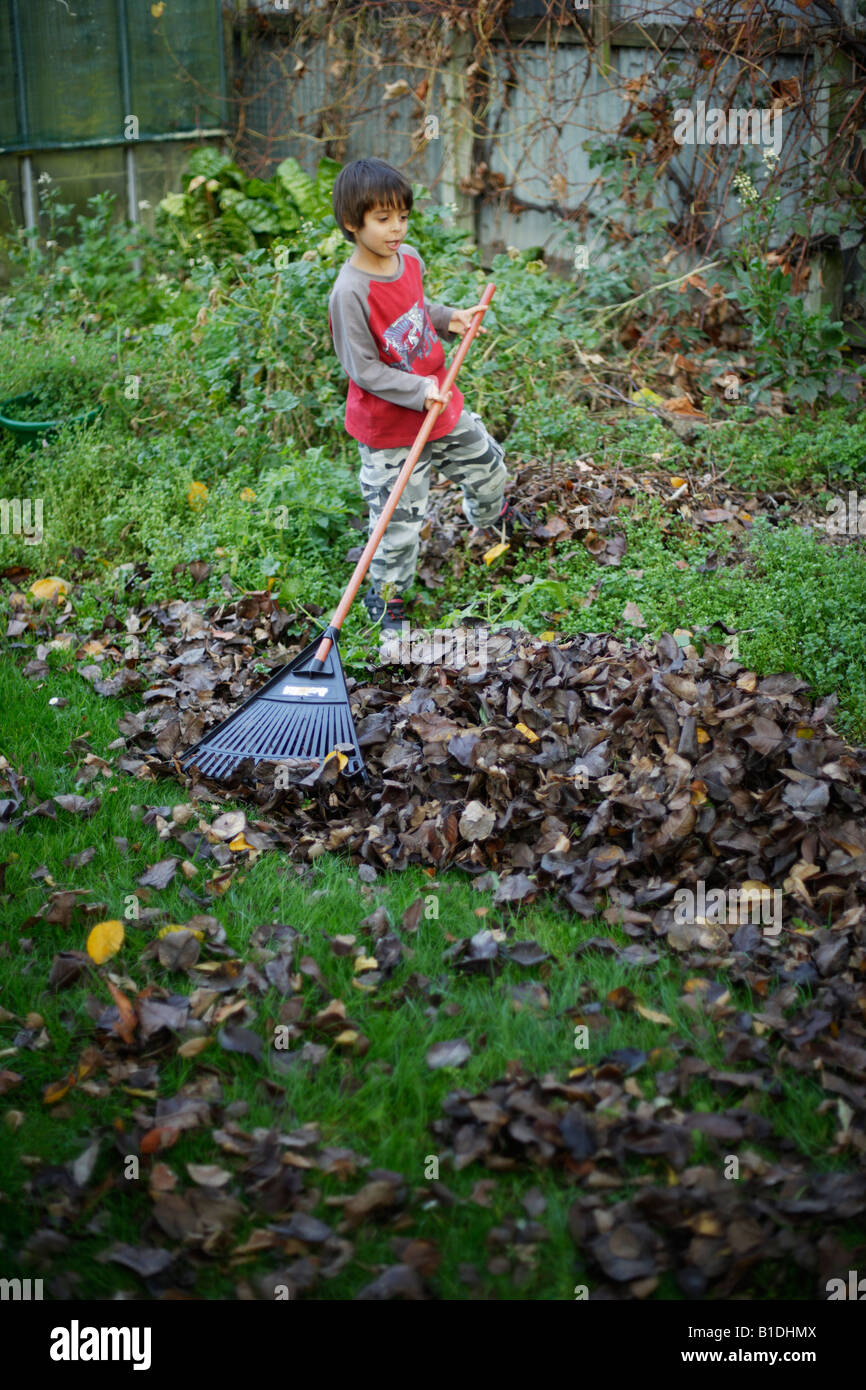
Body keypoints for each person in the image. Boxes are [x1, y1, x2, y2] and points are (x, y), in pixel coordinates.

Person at [328, 156, 520, 631]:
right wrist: (418, 388)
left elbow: (415, 310)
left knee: (490, 469)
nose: (396, 229)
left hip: (441, 407)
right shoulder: (349, 292)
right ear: (353, 222)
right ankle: (385, 597)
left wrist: (446, 317)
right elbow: (363, 368)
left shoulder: (409, 258)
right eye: (382, 219)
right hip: (391, 427)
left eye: (402, 216)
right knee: (397, 526)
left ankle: (491, 526)